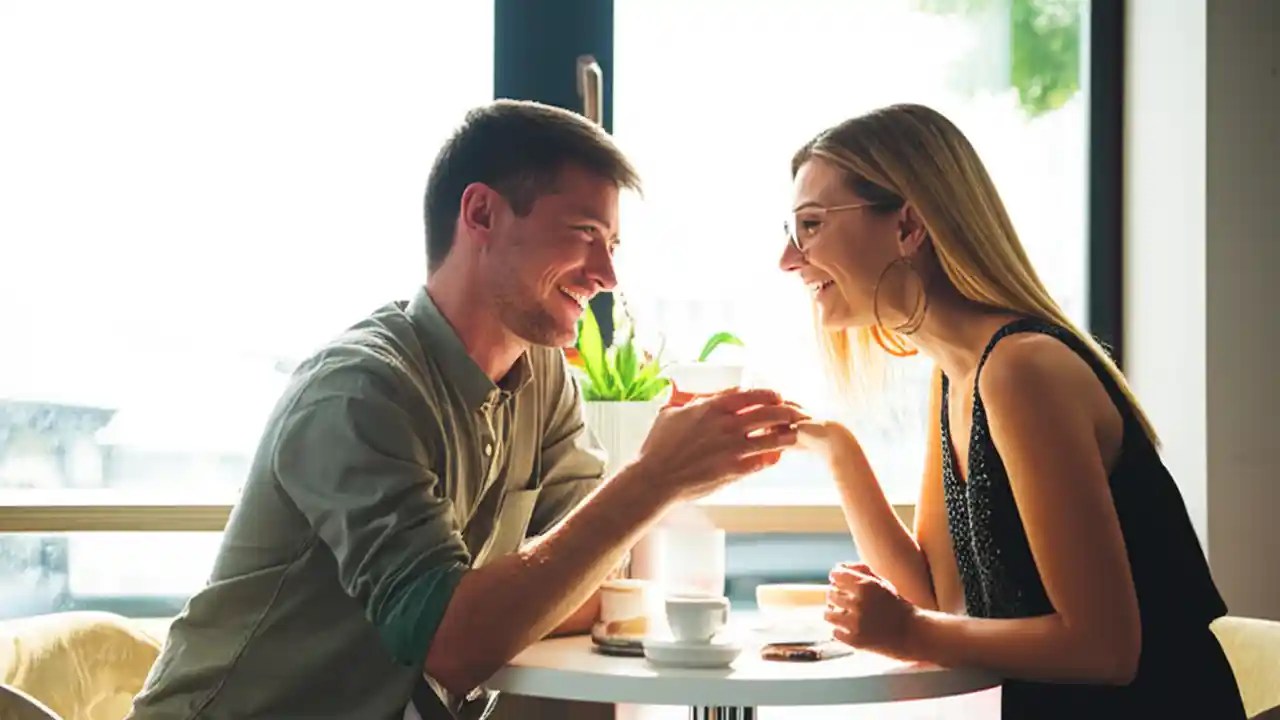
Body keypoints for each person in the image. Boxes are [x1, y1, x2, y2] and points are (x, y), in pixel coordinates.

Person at [128, 100, 805, 720]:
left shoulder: (541, 376)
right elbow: (451, 646)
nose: (607, 275)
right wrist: (655, 477)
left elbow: (592, 589)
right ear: (480, 214)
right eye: (582, 232)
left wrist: (652, 492)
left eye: (613, 244)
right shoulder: (361, 393)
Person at [779, 104, 1245, 719]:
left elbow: (1105, 650)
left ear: (908, 226)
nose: (789, 259)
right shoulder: (956, 375)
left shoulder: (1021, 371)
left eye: (810, 225)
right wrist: (836, 450)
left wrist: (905, 632)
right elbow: (942, 599)